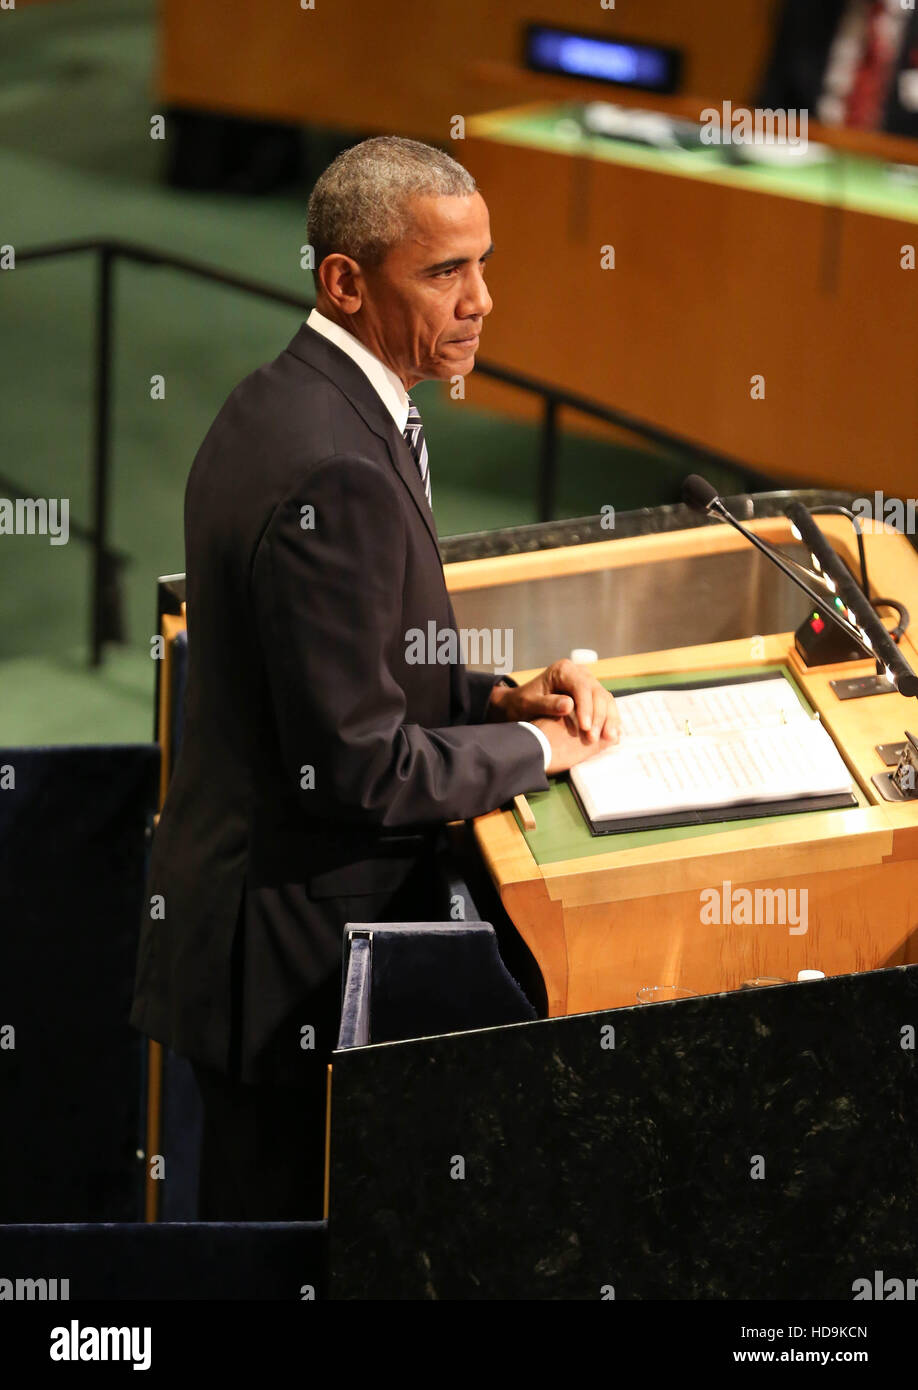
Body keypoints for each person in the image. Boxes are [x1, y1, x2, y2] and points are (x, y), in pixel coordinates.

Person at [130, 135, 620, 1220]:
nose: (482, 300)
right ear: (344, 279)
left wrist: (498, 699)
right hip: (288, 966)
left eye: (485, 264)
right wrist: (544, 750)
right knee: (285, 1253)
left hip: (256, 935)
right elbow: (355, 765)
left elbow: (355, 662)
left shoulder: (290, 398)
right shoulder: (336, 463)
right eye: (445, 272)